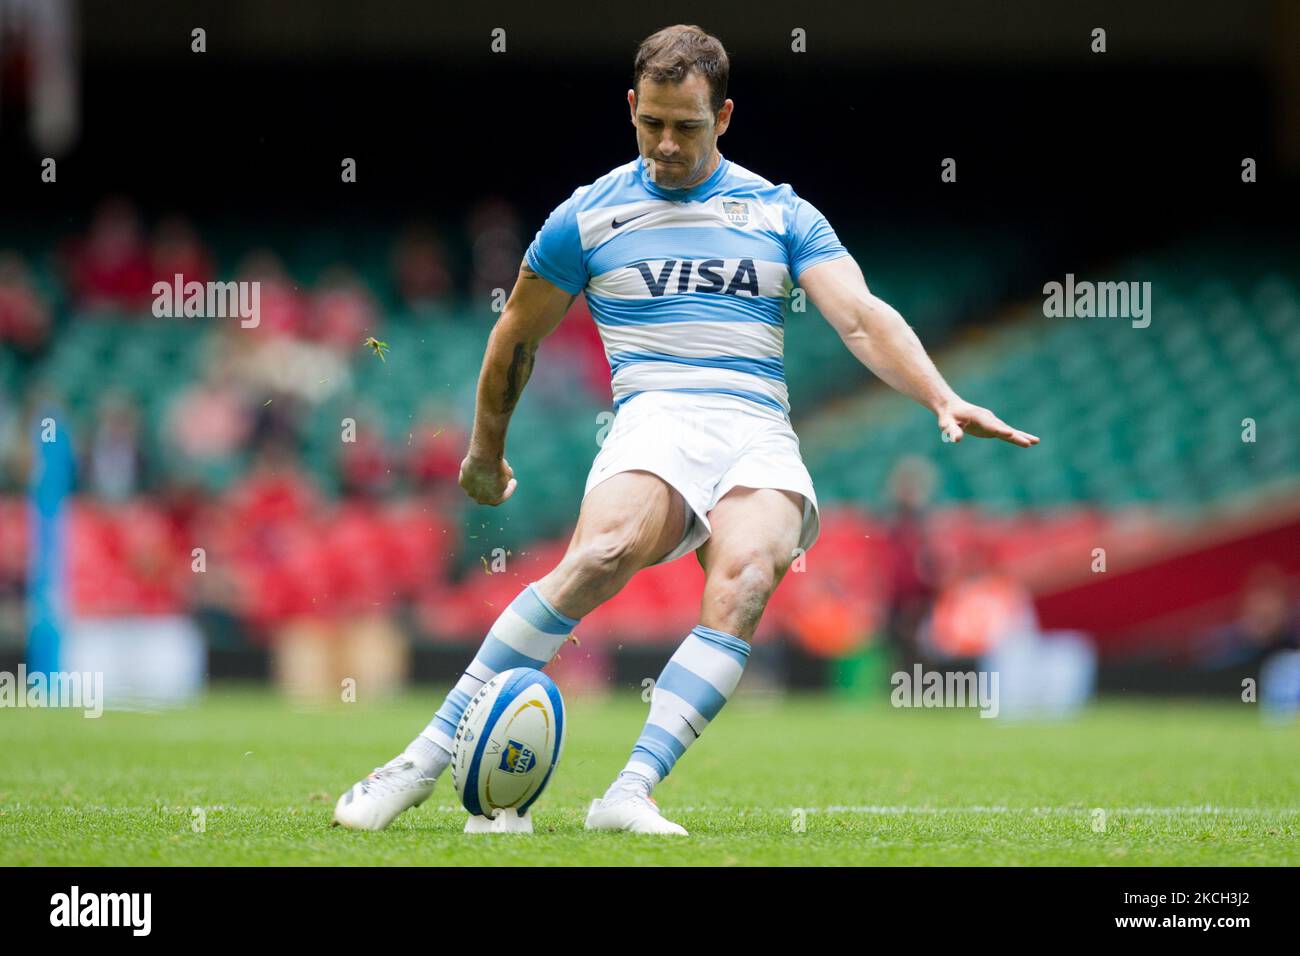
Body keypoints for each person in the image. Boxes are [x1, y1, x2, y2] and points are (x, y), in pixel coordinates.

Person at [333, 24, 1039, 835]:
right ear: (632, 107)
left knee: (745, 579)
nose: (667, 145)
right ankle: (423, 757)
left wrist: (940, 396)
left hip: (754, 426)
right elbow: (514, 338)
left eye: (688, 127)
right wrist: (484, 453)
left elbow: (861, 318)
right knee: (601, 554)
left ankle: (629, 791)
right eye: (652, 124)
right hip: (653, 417)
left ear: (726, 117)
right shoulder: (587, 216)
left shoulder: (779, 211)